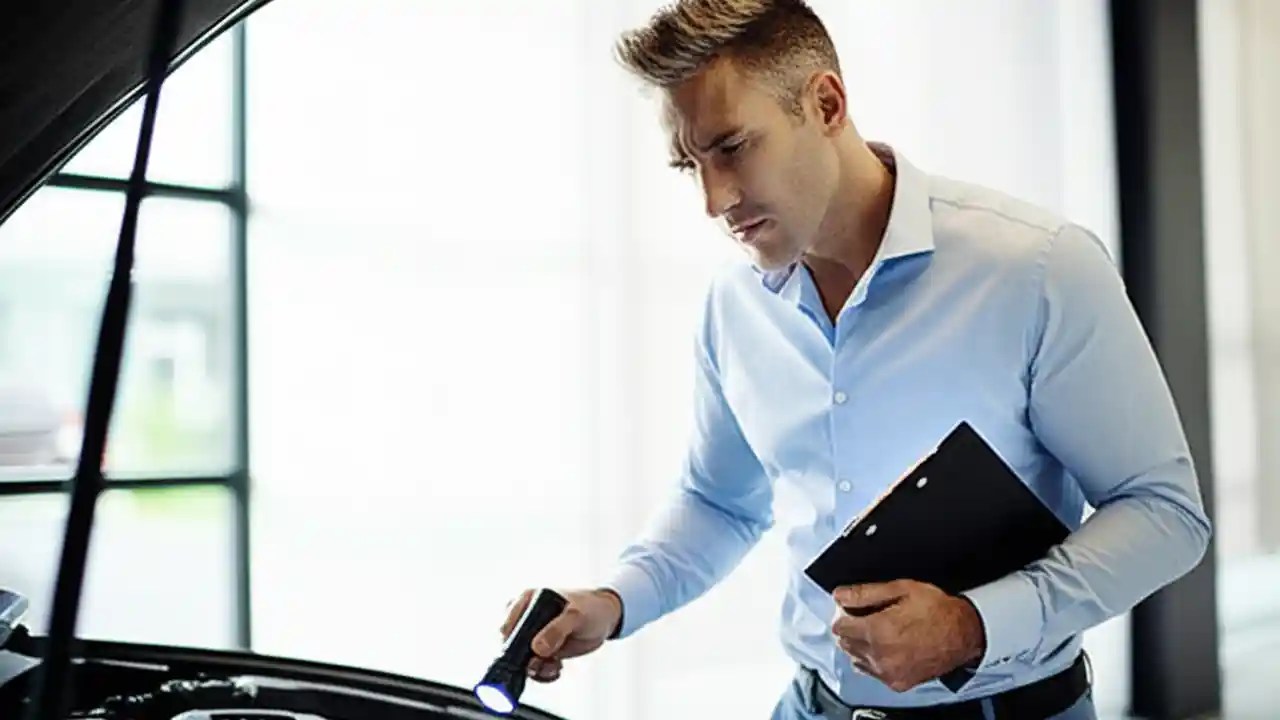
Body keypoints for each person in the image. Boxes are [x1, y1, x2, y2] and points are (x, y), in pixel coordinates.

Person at [499, 1, 1212, 717]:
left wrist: (974, 625)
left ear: (827, 103)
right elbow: (720, 502)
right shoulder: (734, 306)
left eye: (733, 147)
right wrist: (614, 600)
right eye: (690, 164)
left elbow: (1164, 514)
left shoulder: (1037, 269)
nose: (713, 200)